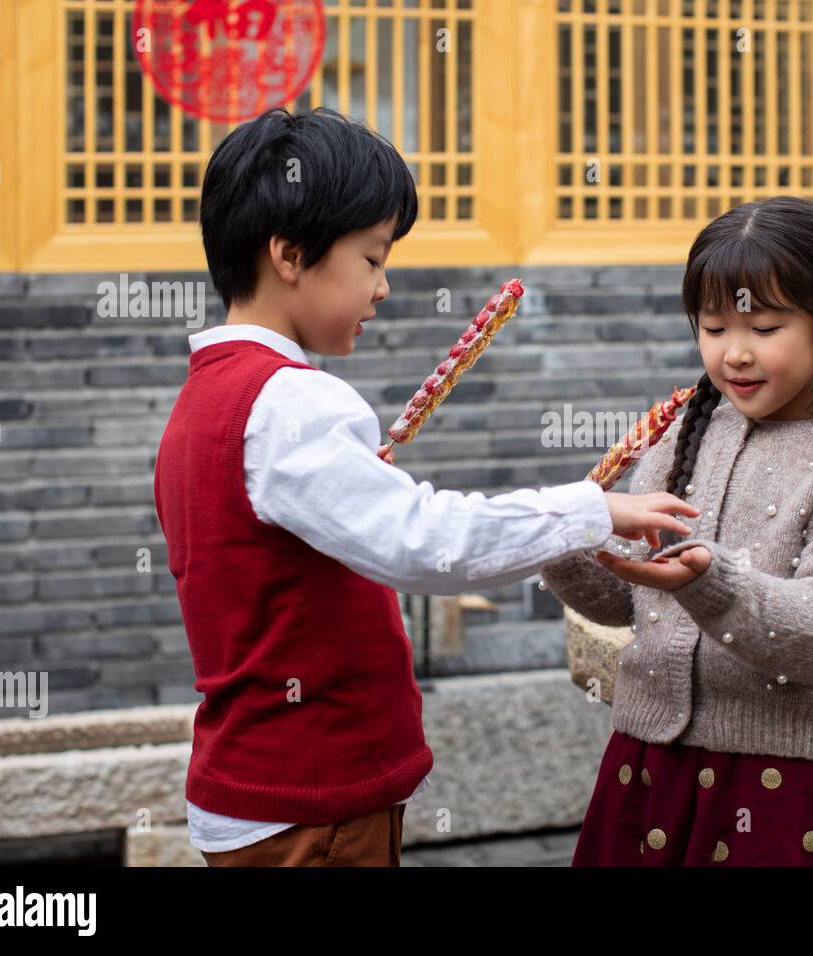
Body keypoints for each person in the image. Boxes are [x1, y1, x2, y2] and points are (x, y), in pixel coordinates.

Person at [153, 107, 696, 866]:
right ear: (289, 254)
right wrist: (587, 508)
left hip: (256, 787)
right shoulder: (290, 403)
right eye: (372, 259)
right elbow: (429, 541)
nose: (382, 286)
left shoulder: (205, 402)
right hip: (314, 802)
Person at [540, 196, 813, 866]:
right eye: (712, 328)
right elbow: (627, 600)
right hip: (645, 761)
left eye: (765, 328)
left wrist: (710, 581)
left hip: (773, 783)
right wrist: (563, 537)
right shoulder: (678, 435)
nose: (734, 353)